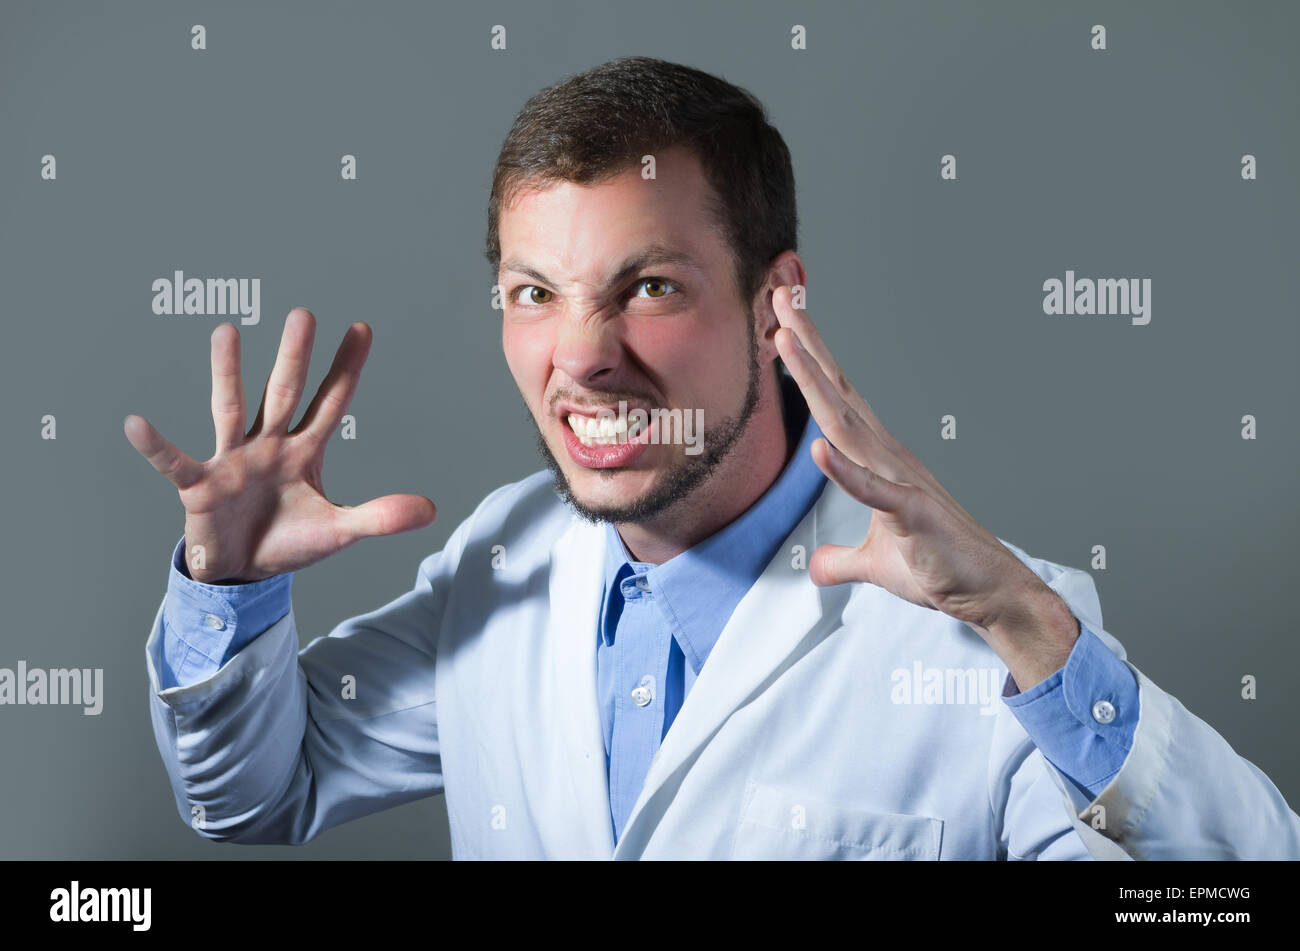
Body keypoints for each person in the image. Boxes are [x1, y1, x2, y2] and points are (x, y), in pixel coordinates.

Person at [128, 56, 1299, 859]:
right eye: (534, 293)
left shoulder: (987, 635)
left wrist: (1032, 627)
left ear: (773, 300)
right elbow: (253, 796)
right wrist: (229, 594)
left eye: (647, 287)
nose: (580, 359)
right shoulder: (503, 560)